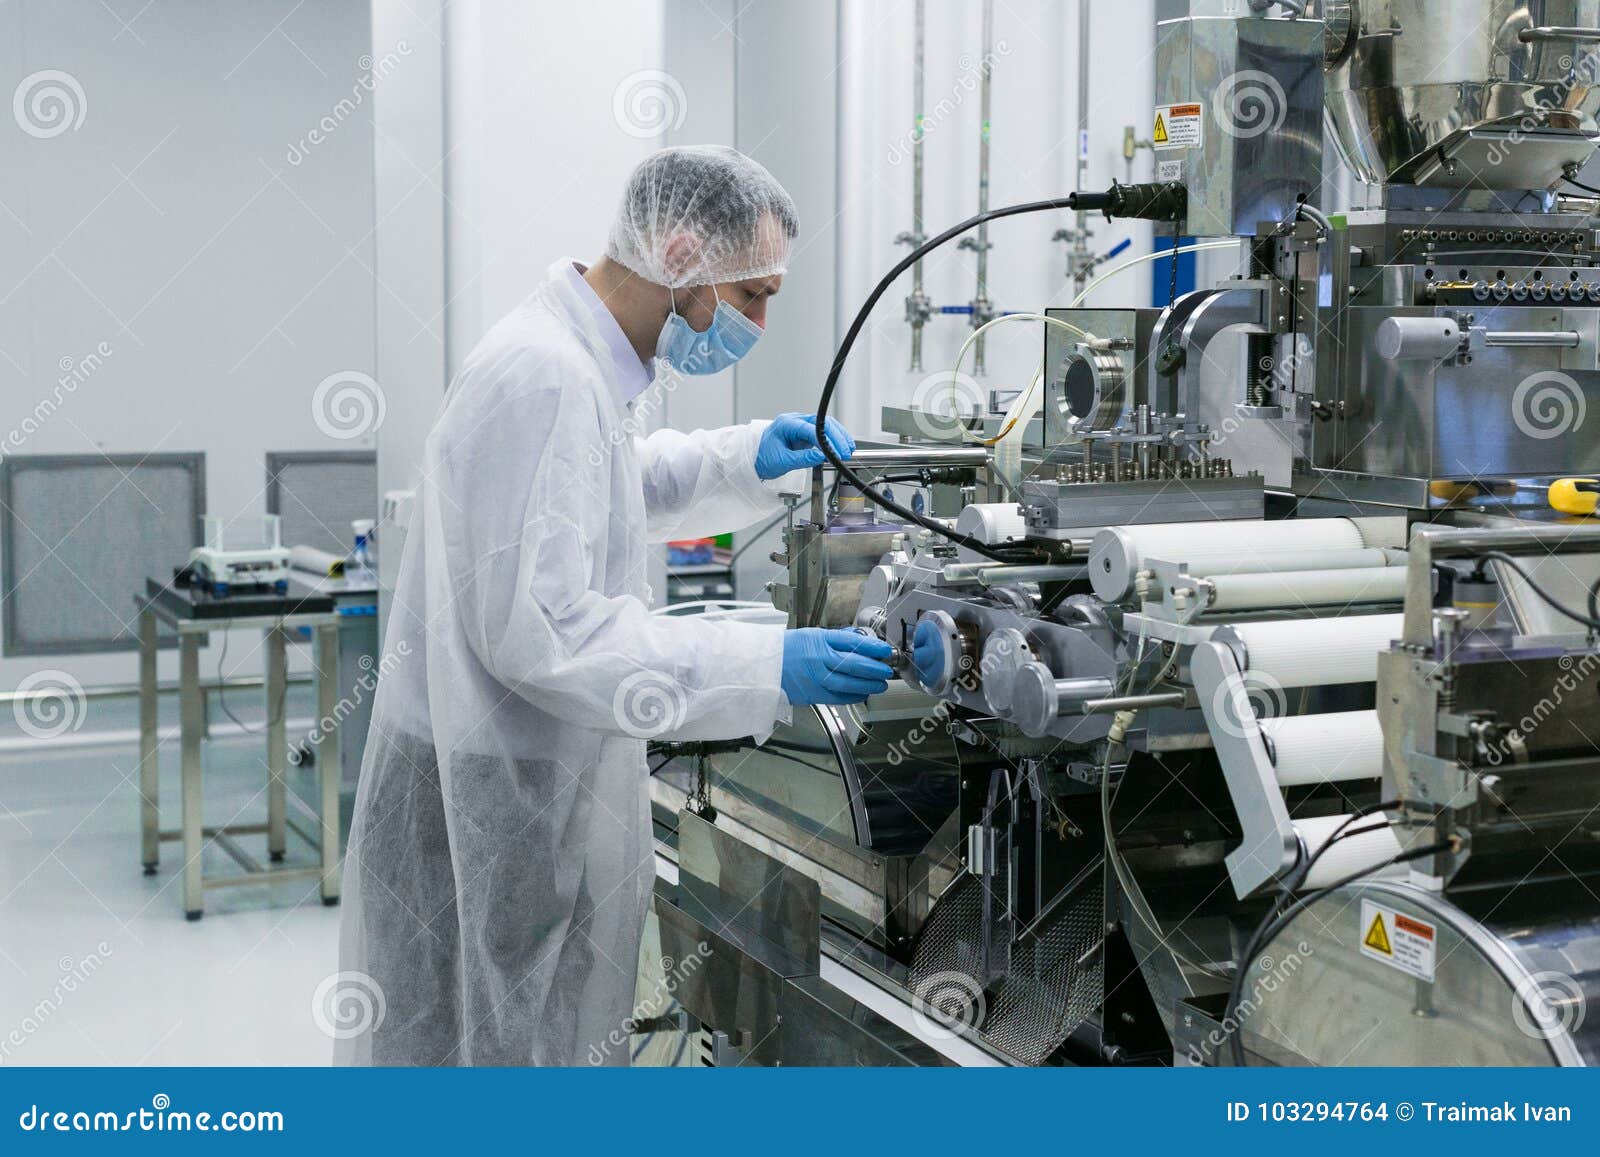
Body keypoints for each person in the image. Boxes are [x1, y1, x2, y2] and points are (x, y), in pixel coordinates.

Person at [336, 146, 894, 1066]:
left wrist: (739, 455)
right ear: (679, 257)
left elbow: (594, 489)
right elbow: (547, 630)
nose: (756, 322)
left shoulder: (572, 361)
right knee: (486, 1056)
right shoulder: (544, 376)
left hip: (504, 769)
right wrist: (762, 662)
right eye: (752, 296)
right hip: (486, 793)